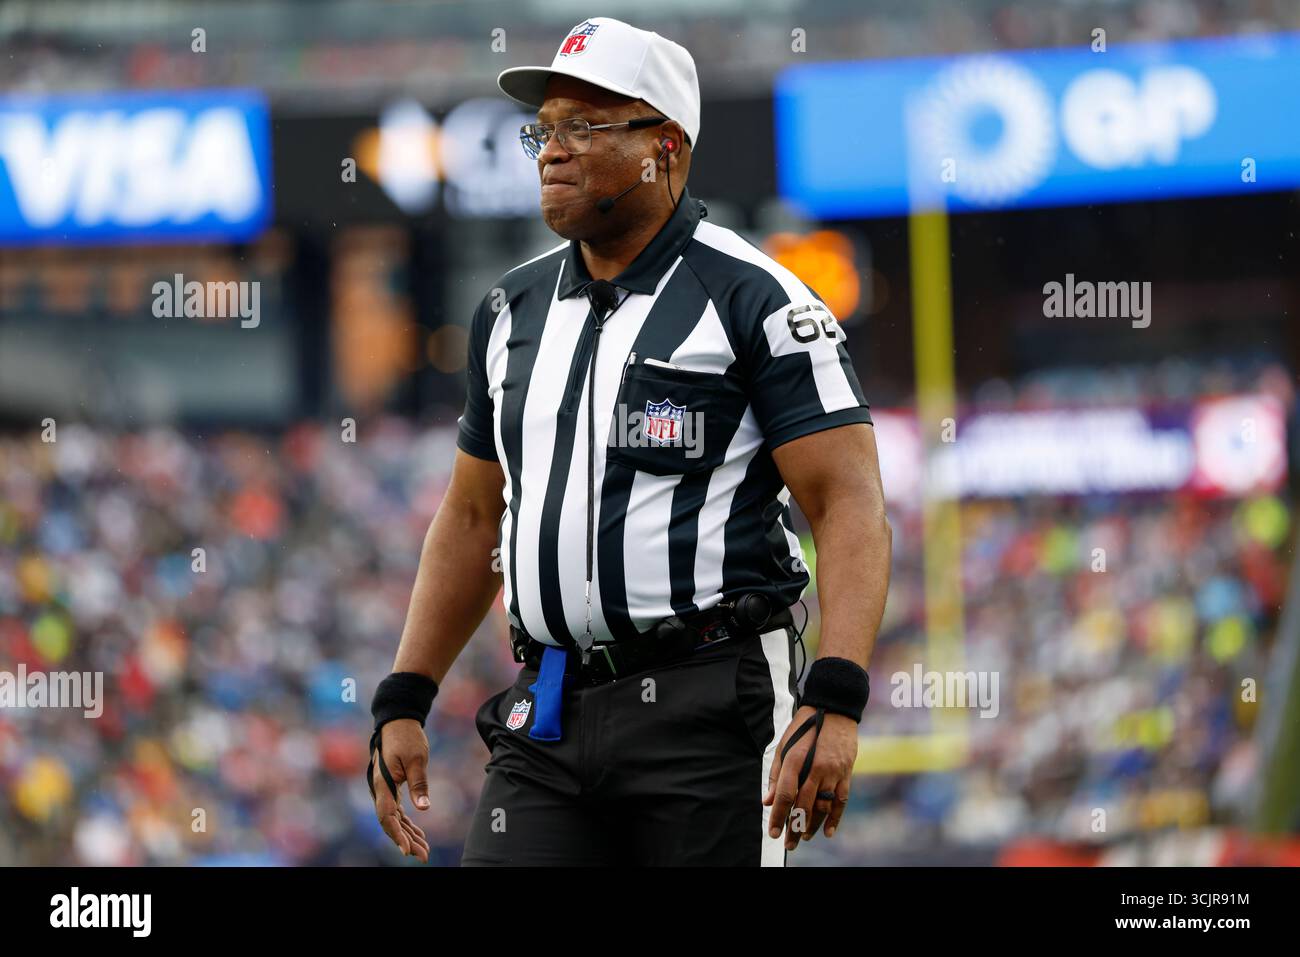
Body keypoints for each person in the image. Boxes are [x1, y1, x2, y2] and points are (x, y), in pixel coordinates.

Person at [366, 16, 891, 866]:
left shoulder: (758, 300)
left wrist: (835, 695)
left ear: (666, 146)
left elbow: (848, 502)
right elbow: (471, 517)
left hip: (709, 704)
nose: (550, 149)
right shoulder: (509, 311)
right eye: (547, 127)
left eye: (586, 125)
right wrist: (404, 692)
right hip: (549, 706)